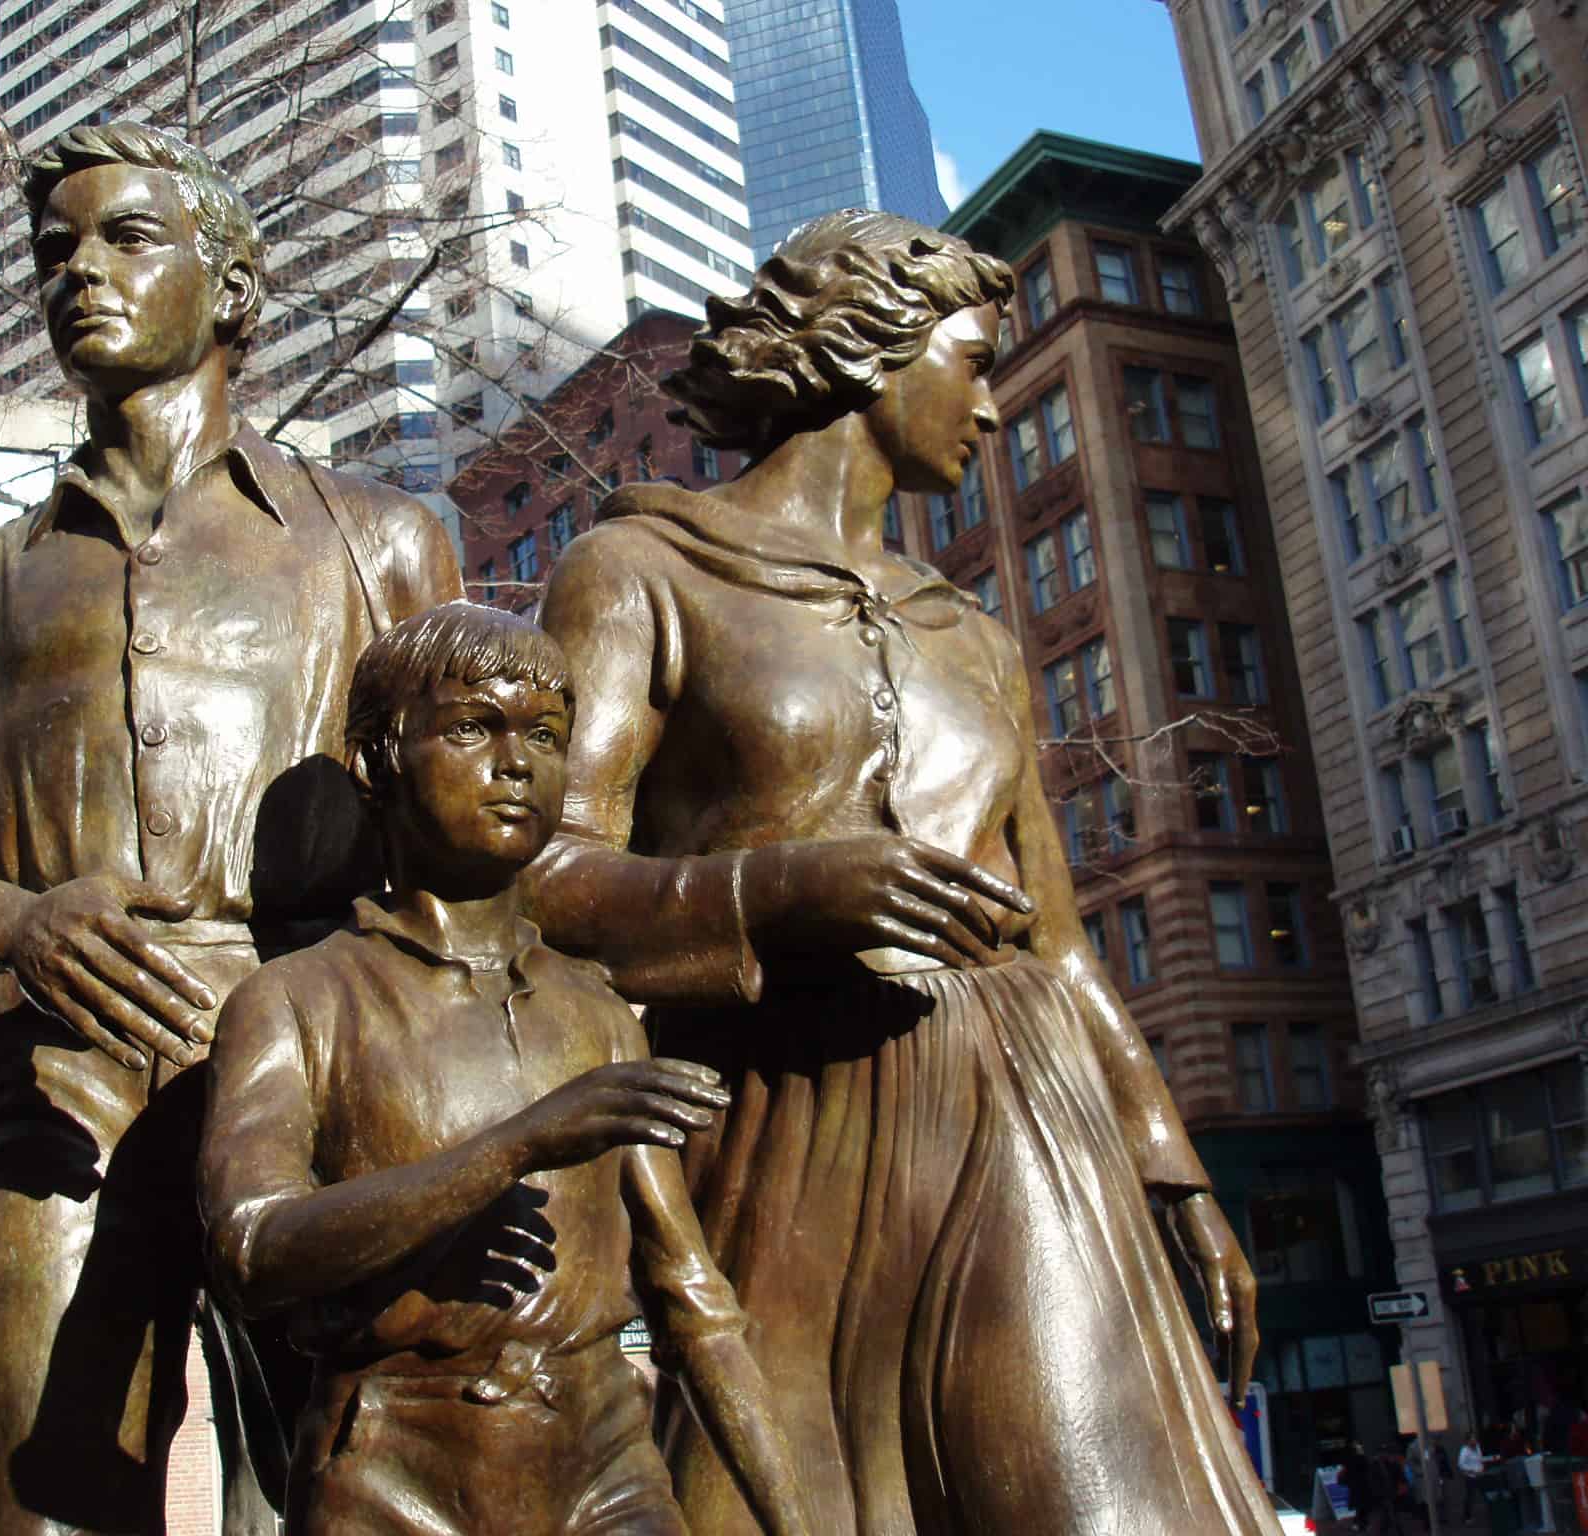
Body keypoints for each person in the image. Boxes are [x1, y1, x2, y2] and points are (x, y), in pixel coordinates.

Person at [527, 209, 1276, 1533]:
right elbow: (543, 878)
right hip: (779, 1118)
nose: (989, 411)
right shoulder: (641, 572)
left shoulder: (973, 636)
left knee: (1089, 1498)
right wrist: (779, 893)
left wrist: (1173, 1167)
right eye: (973, 362)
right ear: (869, 351)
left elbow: (1054, 937)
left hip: (1020, 1110)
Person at [0, 123, 460, 1536]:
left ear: (230, 288)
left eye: (124, 237)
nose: (75, 272)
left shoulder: (381, 542)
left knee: (350, 1502)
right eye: (52, 251)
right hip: (57, 1090)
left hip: (321, 1076)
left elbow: (475, 844)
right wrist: (12, 921)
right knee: (47, 1509)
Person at [196, 603, 812, 1535]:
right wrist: (516, 1147)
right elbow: (252, 1251)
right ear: (378, 763)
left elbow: (695, 1307)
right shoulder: (297, 1001)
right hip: (392, 1473)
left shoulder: (599, 1015)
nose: (518, 762)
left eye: (548, 736)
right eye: (474, 728)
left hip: (605, 1471)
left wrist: (795, 1523)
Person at [1458, 1429, 1486, 1524]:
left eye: (1475, 1439)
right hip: (1471, 1477)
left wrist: (1482, 1468)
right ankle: (1467, 1516)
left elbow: (1480, 1459)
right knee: (1470, 1496)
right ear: (1468, 1441)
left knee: (1484, 1493)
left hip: (1480, 1474)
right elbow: (1461, 1465)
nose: (1474, 1441)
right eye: (1472, 1439)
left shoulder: (1477, 1447)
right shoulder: (1464, 1451)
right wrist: (1472, 1471)